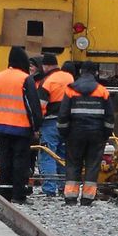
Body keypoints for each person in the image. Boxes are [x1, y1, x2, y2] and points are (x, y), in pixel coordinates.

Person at [0, 44, 44, 204]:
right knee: (20, 162)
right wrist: (36, 126)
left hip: (0, 126)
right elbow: (32, 105)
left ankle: (4, 192)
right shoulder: (24, 79)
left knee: (5, 160)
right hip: (20, 127)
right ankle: (18, 195)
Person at [60, 63, 112, 205]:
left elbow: (63, 114)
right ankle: (87, 198)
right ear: (96, 73)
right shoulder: (102, 91)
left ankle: (71, 197)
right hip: (96, 134)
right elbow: (109, 118)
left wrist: (64, 133)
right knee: (93, 164)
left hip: (74, 134)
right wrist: (105, 135)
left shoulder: (70, 90)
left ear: (81, 71)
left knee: (73, 164)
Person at [37, 51, 75, 198]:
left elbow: (41, 106)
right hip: (68, 122)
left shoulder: (47, 81)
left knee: (48, 154)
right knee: (63, 154)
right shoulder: (69, 77)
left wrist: (36, 124)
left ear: (45, 66)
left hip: (51, 122)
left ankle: (50, 188)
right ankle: (64, 186)